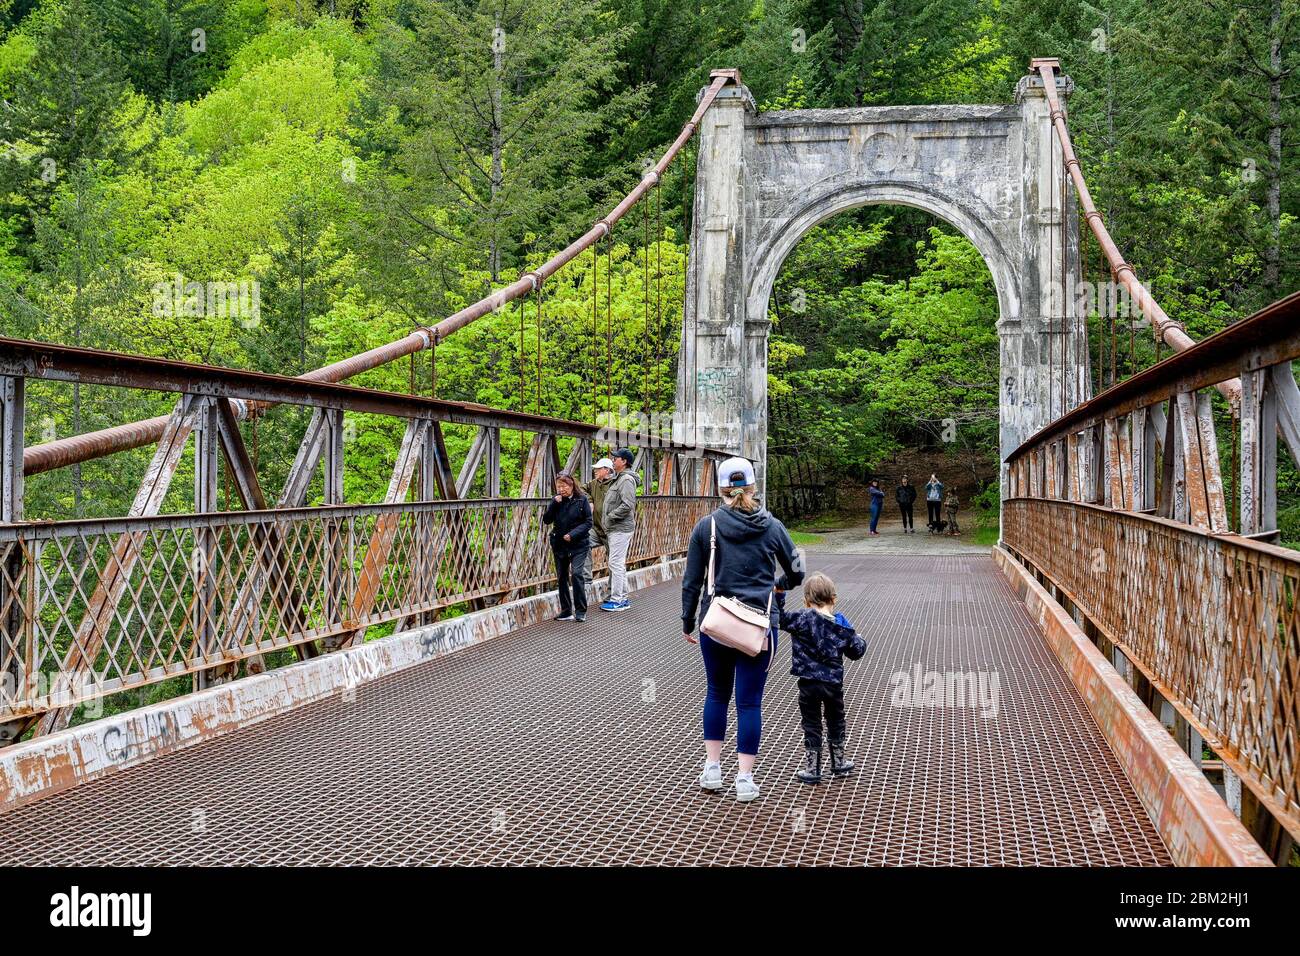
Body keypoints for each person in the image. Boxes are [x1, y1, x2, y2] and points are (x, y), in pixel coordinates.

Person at [681, 456, 804, 803]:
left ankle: (712, 769)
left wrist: (687, 620)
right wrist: (776, 586)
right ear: (753, 486)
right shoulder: (773, 526)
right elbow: (798, 571)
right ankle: (745, 779)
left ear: (720, 489)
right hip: (760, 627)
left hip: (717, 623)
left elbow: (692, 581)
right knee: (750, 703)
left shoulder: (707, 527)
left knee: (717, 692)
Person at [776, 571, 866, 784]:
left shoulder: (801, 619)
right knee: (836, 720)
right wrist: (860, 639)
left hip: (808, 683)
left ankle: (813, 767)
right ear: (833, 599)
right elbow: (856, 652)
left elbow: (778, 619)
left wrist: (779, 595)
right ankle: (839, 762)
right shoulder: (841, 624)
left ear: (807, 601)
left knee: (811, 723)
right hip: (833, 684)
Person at [542, 472, 593, 622]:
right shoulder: (557, 500)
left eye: (563, 486)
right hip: (560, 544)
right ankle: (566, 611)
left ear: (571, 486)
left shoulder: (582, 500)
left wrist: (573, 534)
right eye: (558, 486)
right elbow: (546, 520)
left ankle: (581, 610)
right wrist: (553, 504)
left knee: (577, 574)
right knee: (562, 577)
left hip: (579, 544)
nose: (561, 489)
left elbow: (588, 522)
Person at [599, 448, 640, 612]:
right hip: (617, 528)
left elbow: (628, 504)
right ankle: (622, 598)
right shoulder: (619, 479)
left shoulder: (626, 480)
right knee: (618, 564)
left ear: (623, 461)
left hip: (620, 528)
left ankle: (617, 600)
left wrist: (610, 517)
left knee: (615, 563)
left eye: (615, 458)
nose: (613, 460)